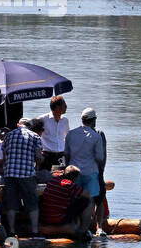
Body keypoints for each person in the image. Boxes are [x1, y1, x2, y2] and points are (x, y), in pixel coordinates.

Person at [65, 107, 108, 236]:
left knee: (75, 200)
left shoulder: (71, 134)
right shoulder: (96, 136)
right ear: (93, 120)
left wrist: (69, 168)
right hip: (91, 173)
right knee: (91, 200)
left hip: (74, 174)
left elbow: (66, 154)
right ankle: (85, 230)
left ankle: (76, 226)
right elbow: (100, 157)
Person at [2, 116, 43, 238]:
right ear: (29, 126)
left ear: (19, 124)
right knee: (32, 202)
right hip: (26, 173)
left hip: (10, 173)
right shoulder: (35, 136)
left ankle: (11, 230)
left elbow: (4, 153)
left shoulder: (9, 135)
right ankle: (35, 231)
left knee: (11, 202)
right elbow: (38, 157)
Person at [39, 165, 91, 237]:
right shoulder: (69, 184)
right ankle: (84, 230)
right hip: (58, 218)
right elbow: (87, 194)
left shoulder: (52, 180)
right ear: (75, 178)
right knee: (86, 201)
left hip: (45, 217)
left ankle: (77, 225)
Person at [39, 95, 69, 170]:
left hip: (61, 155)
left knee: (60, 178)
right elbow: (35, 135)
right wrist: (39, 151)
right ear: (57, 107)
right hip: (47, 155)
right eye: (64, 105)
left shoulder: (65, 120)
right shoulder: (42, 119)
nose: (66, 107)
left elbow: (67, 137)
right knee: (46, 178)